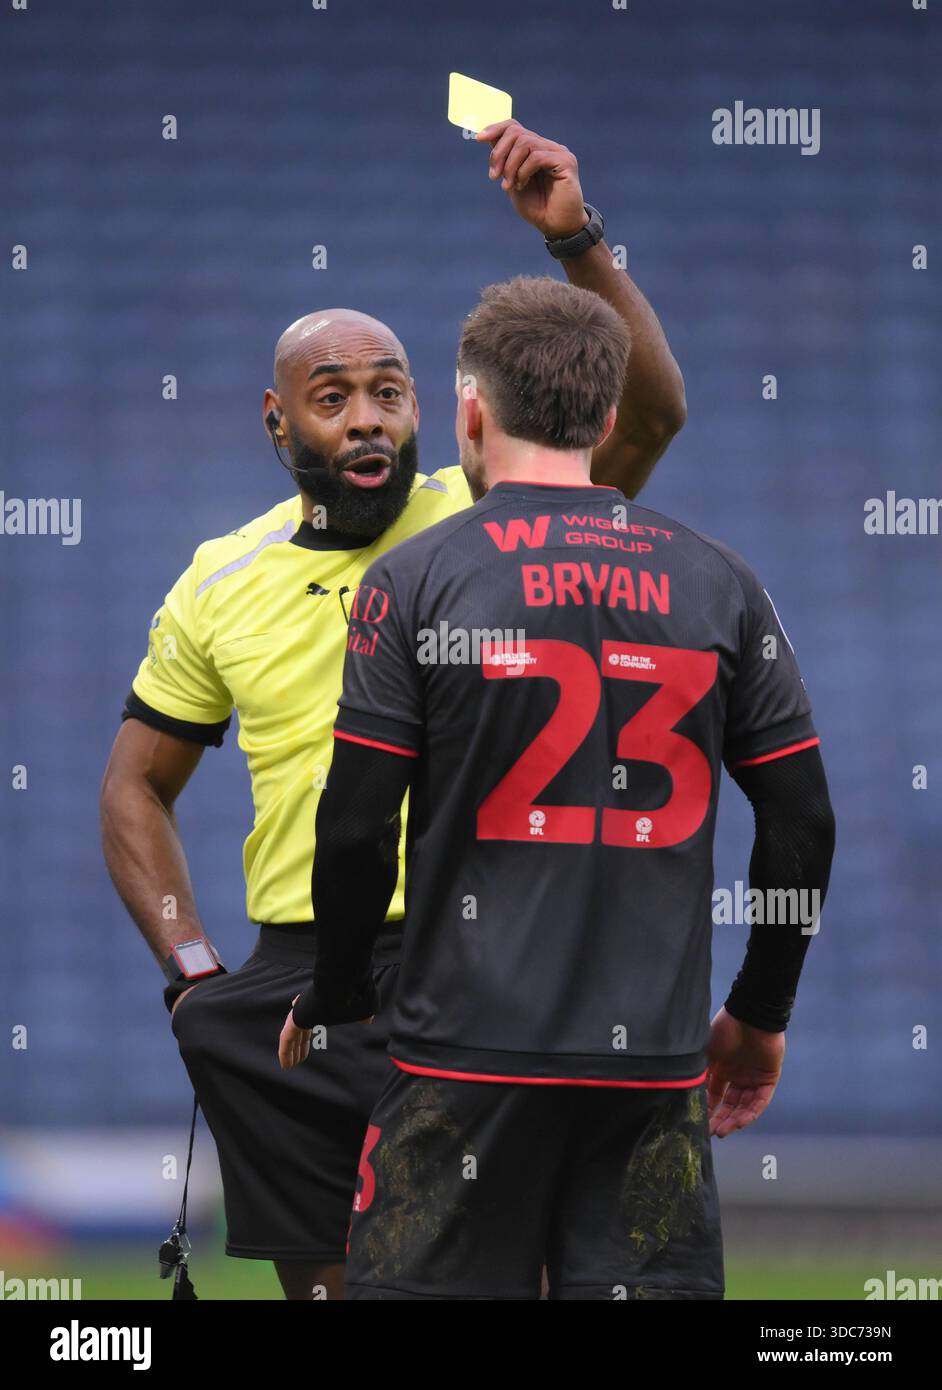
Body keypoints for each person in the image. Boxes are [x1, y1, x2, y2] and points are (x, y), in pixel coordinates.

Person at [99, 119, 687, 1300]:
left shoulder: (490, 516)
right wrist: (194, 969)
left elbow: (652, 416)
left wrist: (575, 240)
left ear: (430, 411)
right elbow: (134, 789)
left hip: (481, 959)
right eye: (331, 399)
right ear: (280, 427)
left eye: (388, 391)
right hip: (303, 983)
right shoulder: (218, 577)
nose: (366, 418)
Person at [281, 274, 836, 1301]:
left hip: (462, 1066)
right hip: (652, 1075)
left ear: (472, 411)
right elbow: (802, 820)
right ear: (609, 415)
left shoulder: (413, 584)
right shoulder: (719, 579)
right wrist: (759, 1012)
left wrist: (343, 989)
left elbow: (356, 827)